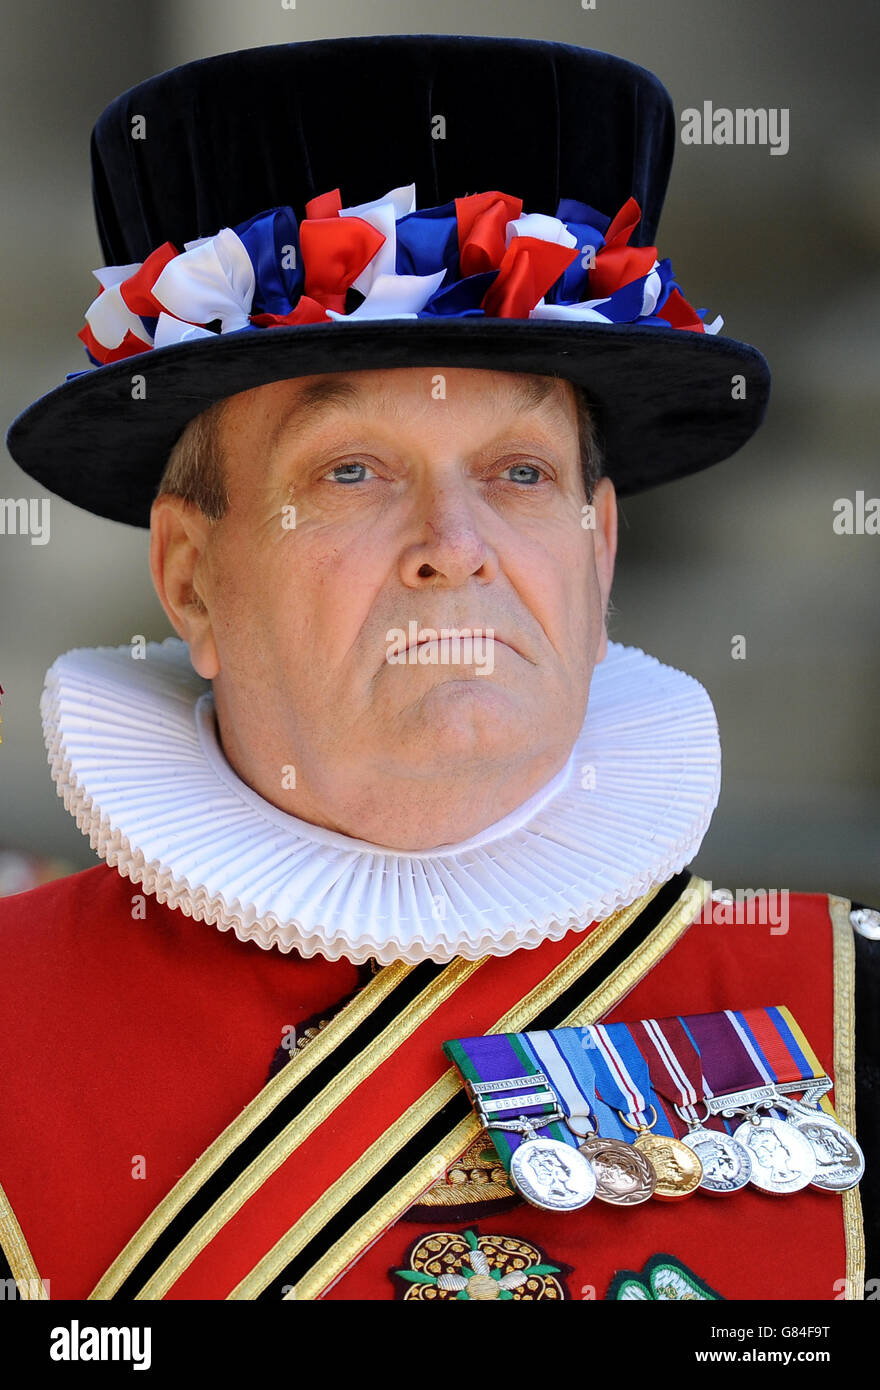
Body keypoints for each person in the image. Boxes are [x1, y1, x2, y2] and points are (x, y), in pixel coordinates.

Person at [1, 34, 876, 1303]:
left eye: (519, 474)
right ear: (192, 576)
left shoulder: (848, 1009)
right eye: (349, 471)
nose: (452, 550)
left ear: (600, 541)